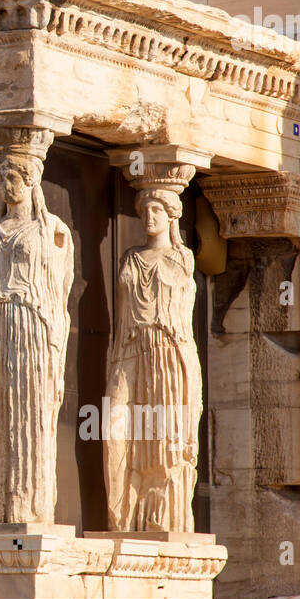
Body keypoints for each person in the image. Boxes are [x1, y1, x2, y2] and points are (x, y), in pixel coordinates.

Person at [0, 150, 73, 524]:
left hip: (30, 324)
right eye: (1, 178)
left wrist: (55, 349)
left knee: (27, 417)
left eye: (13, 178)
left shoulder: (52, 231)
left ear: (31, 181)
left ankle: (25, 509)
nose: (5, 186)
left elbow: (60, 293)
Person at [104, 188, 202, 533]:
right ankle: (122, 517)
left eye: (157, 209)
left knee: (165, 439)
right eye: (145, 209)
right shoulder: (130, 258)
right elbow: (120, 317)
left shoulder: (182, 259)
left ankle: (162, 519)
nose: (149, 217)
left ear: (172, 215)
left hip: (168, 353)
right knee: (116, 431)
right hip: (130, 349)